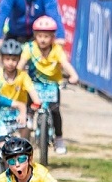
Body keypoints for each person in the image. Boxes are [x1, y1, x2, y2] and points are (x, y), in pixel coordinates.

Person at [21, 15, 78, 155]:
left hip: (53, 85)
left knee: (55, 111)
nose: (43, 39)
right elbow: (20, 64)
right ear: (35, 36)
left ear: (53, 37)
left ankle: (59, 138)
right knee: (31, 104)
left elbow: (65, 64)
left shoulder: (56, 50)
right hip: (35, 83)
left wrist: (73, 75)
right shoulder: (29, 48)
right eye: (40, 36)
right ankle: (29, 117)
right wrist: (19, 74)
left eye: (46, 36)